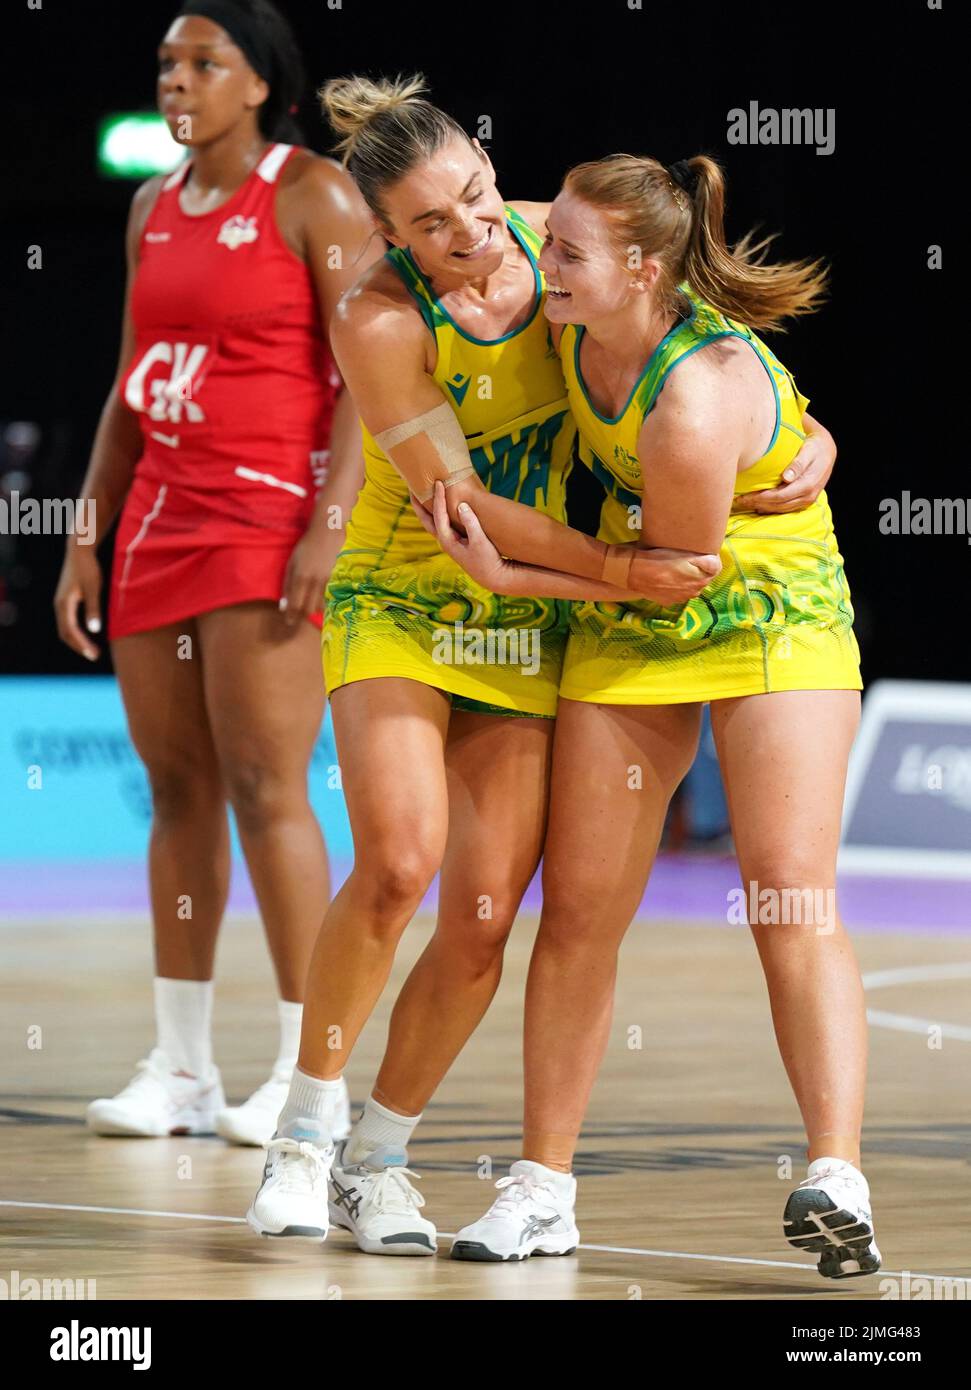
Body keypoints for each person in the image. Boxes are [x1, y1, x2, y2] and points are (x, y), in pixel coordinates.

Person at [246, 76, 841, 1258]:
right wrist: (622, 576)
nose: (468, 235)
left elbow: (698, 335)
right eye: (429, 226)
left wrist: (808, 434)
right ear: (384, 235)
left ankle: (378, 1162)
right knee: (402, 855)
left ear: (484, 159)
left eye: (473, 197)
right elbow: (461, 514)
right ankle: (301, 1138)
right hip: (418, 590)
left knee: (479, 916)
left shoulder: (556, 244)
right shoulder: (374, 313)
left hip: (536, 614)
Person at [419, 153, 876, 1279]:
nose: (538, 262)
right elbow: (466, 222)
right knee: (575, 908)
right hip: (635, 576)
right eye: (547, 238)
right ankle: (540, 1191)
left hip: (756, 596)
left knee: (783, 888)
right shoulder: (574, 266)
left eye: (566, 254)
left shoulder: (689, 397)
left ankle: (834, 1174)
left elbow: (673, 568)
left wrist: (517, 584)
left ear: (643, 269)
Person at [54, 0, 377, 1145]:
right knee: (178, 789)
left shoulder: (313, 196)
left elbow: (369, 374)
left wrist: (329, 526)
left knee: (264, 784)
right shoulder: (150, 204)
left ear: (260, 83)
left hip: (267, 522)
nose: (176, 81)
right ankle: (183, 1066)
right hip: (159, 523)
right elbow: (129, 387)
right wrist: (86, 532)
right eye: (166, 64)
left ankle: (306, 1074)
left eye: (203, 63)